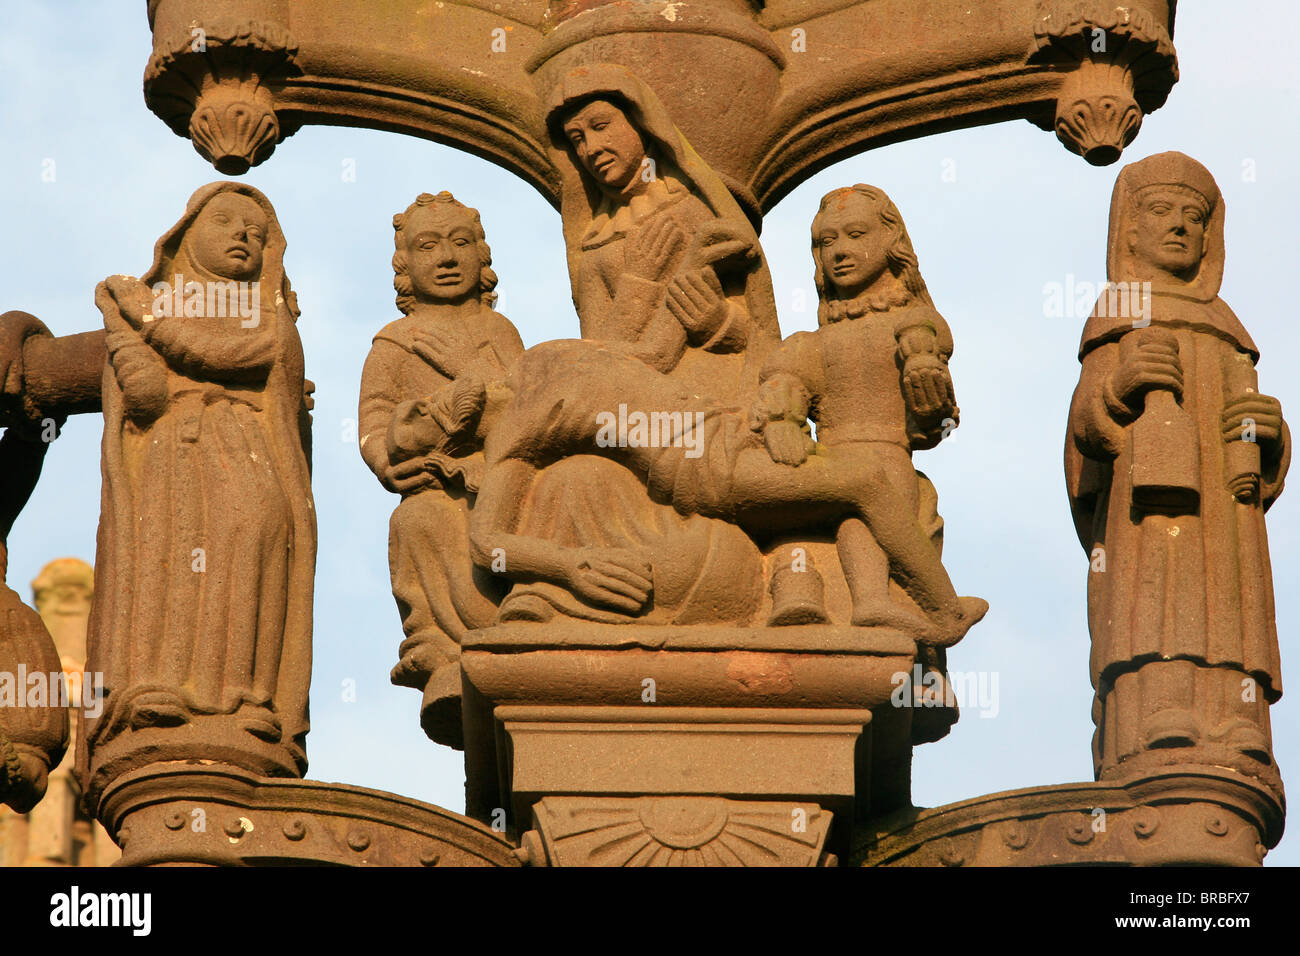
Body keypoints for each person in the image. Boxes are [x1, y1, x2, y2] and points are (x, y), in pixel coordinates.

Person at [82, 182, 315, 780]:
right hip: (174, 450)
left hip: (243, 440)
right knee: (170, 554)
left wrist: (143, 317)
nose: (244, 236)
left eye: (257, 233)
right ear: (186, 237)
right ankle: (154, 687)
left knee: (254, 533)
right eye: (228, 223)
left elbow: (225, 355)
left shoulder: (266, 314)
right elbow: (140, 394)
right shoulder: (163, 301)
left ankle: (246, 697)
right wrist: (130, 341)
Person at [1066, 152, 1288, 778]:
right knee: (1154, 599)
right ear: (1128, 229)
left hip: (1226, 512)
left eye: (1195, 218)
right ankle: (1158, 709)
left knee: (1231, 604)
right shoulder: (1117, 312)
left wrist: (1270, 435)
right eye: (1161, 211)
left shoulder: (1227, 330)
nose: (1180, 227)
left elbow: (1255, 430)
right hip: (1151, 507)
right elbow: (1084, 427)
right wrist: (1118, 390)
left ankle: (1238, 720)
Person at [358, 191, 524, 748]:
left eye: (461, 242)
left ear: (483, 256)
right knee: (417, 523)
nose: (447, 258)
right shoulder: (394, 340)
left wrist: (464, 369)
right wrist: (385, 462)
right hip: (431, 478)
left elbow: (522, 401)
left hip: (496, 472)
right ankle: (437, 643)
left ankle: (514, 618)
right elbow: (375, 417)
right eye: (428, 246)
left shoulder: (499, 333)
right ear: (406, 266)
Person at [758, 184, 963, 633]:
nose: (839, 252)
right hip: (826, 458)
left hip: (885, 451)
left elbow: (935, 419)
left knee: (881, 491)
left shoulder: (911, 323)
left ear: (892, 244)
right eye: (826, 242)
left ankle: (879, 599)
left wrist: (929, 390)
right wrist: (783, 417)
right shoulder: (814, 342)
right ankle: (847, 597)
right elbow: (786, 378)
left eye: (855, 234)